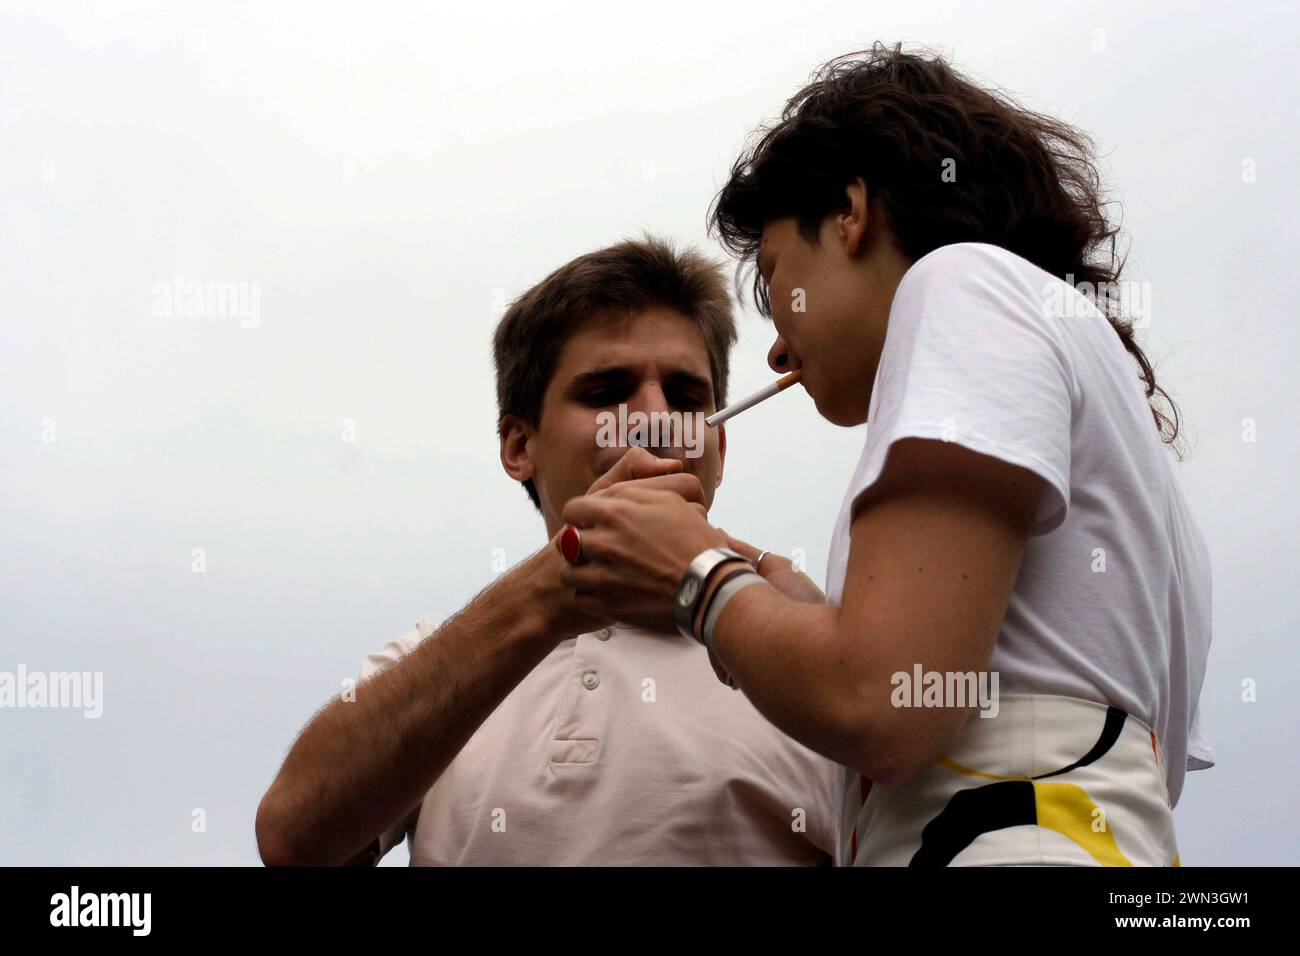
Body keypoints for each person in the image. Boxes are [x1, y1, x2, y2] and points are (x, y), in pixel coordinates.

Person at [557, 45, 1214, 866]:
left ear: (849, 211)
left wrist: (692, 574)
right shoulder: (1095, 376)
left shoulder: (961, 285)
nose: (777, 352)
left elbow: (879, 706)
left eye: (774, 279)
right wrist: (798, 618)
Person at [255, 236, 839, 866]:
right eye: (605, 391)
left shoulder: (822, 649)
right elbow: (294, 840)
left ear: (718, 451)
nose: (651, 418)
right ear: (518, 446)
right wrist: (553, 590)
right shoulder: (435, 664)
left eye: (686, 397)